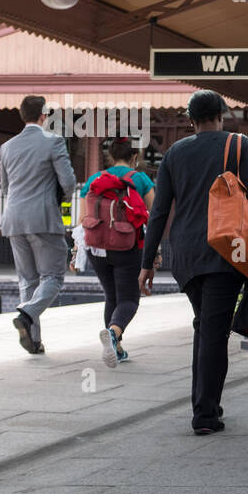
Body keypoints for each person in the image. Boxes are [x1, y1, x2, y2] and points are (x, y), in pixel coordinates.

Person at [139, 90, 248, 435]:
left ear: (191, 120)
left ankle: (207, 404)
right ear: (223, 114)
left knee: (206, 326)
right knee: (214, 332)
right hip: (226, 248)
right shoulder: (238, 144)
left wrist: (148, 261)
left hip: (185, 254)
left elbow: (159, 212)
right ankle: (204, 415)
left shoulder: (174, 153)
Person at [0, 95, 77, 354]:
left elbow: (7, 187)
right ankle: (27, 313)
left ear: (23, 116)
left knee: (28, 280)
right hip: (43, 217)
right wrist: (60, 200)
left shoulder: (7, 147)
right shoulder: (53, 141)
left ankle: (34, 341)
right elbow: (68, 181)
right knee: (53, 276)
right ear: (44, 115)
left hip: (13, 219)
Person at [80, 138, 155, 367]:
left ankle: (117, 347)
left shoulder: (96, 179)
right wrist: (154, 253)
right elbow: (155, 216)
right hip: (127, 246)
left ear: (110, 157)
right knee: (130, 298)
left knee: (111, 296)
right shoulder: (140, 178)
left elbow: (84, 216)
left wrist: (76, 250)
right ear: (134, 157)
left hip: (97, 247)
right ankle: (113, 333)